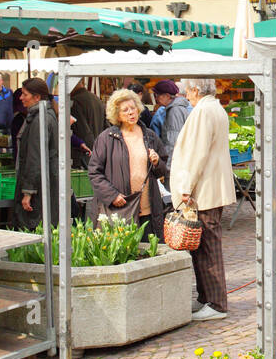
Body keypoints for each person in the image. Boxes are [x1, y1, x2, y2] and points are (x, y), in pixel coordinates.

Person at [170, 77, 235, 322]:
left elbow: (196, 152)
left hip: (205, 190)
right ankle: (206, 296)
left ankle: (216, 303)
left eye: (188, 91)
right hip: (210, 188)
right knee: (203, 246)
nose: (186, 96)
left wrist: (185, 186)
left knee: (207, 247)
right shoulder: (214, 108)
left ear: (196, 90)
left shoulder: (204, 111)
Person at [88, 87, 168, 240]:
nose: (131, 112)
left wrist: (157, 162)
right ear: (117, 115)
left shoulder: (149, 136)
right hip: (119, 209)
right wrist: (112, 195)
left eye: (133, 108)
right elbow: (94, 172)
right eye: (125, 110)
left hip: (148, 210)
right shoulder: (106, 138)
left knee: (147, 254)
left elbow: (163, 170)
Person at [13, 77, 59, 232]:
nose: (21, 98)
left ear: (37, 97)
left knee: (35, 233)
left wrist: (28, 192)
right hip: (44, 185)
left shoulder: (41, 119)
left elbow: (35, 157)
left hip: (39, 189)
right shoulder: (44, 115)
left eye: (24, 94)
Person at [151, 80, 191, 169]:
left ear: (167, 96)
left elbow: (173, 142)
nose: (156, 99)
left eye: (157, 95)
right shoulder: (178, 108)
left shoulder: (174, 111)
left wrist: (167, 168)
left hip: (176, 165)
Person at [70, 81, 106, 155]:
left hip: (85, 154)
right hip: (99, 150)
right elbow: (106, 126)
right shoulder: (96, 99)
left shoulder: (75, 101)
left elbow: (83, 132)